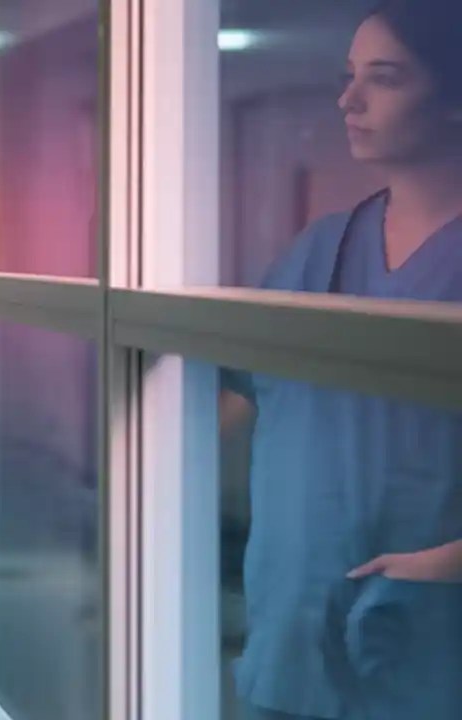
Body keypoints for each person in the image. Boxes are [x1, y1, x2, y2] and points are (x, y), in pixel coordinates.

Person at [223, 1, 462, 718]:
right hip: (294, 632)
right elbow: (239, 392)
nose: (348, 100)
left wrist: (446, 566)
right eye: (348, 76)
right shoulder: (319, 249)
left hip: (419, 634)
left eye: (382, 78)